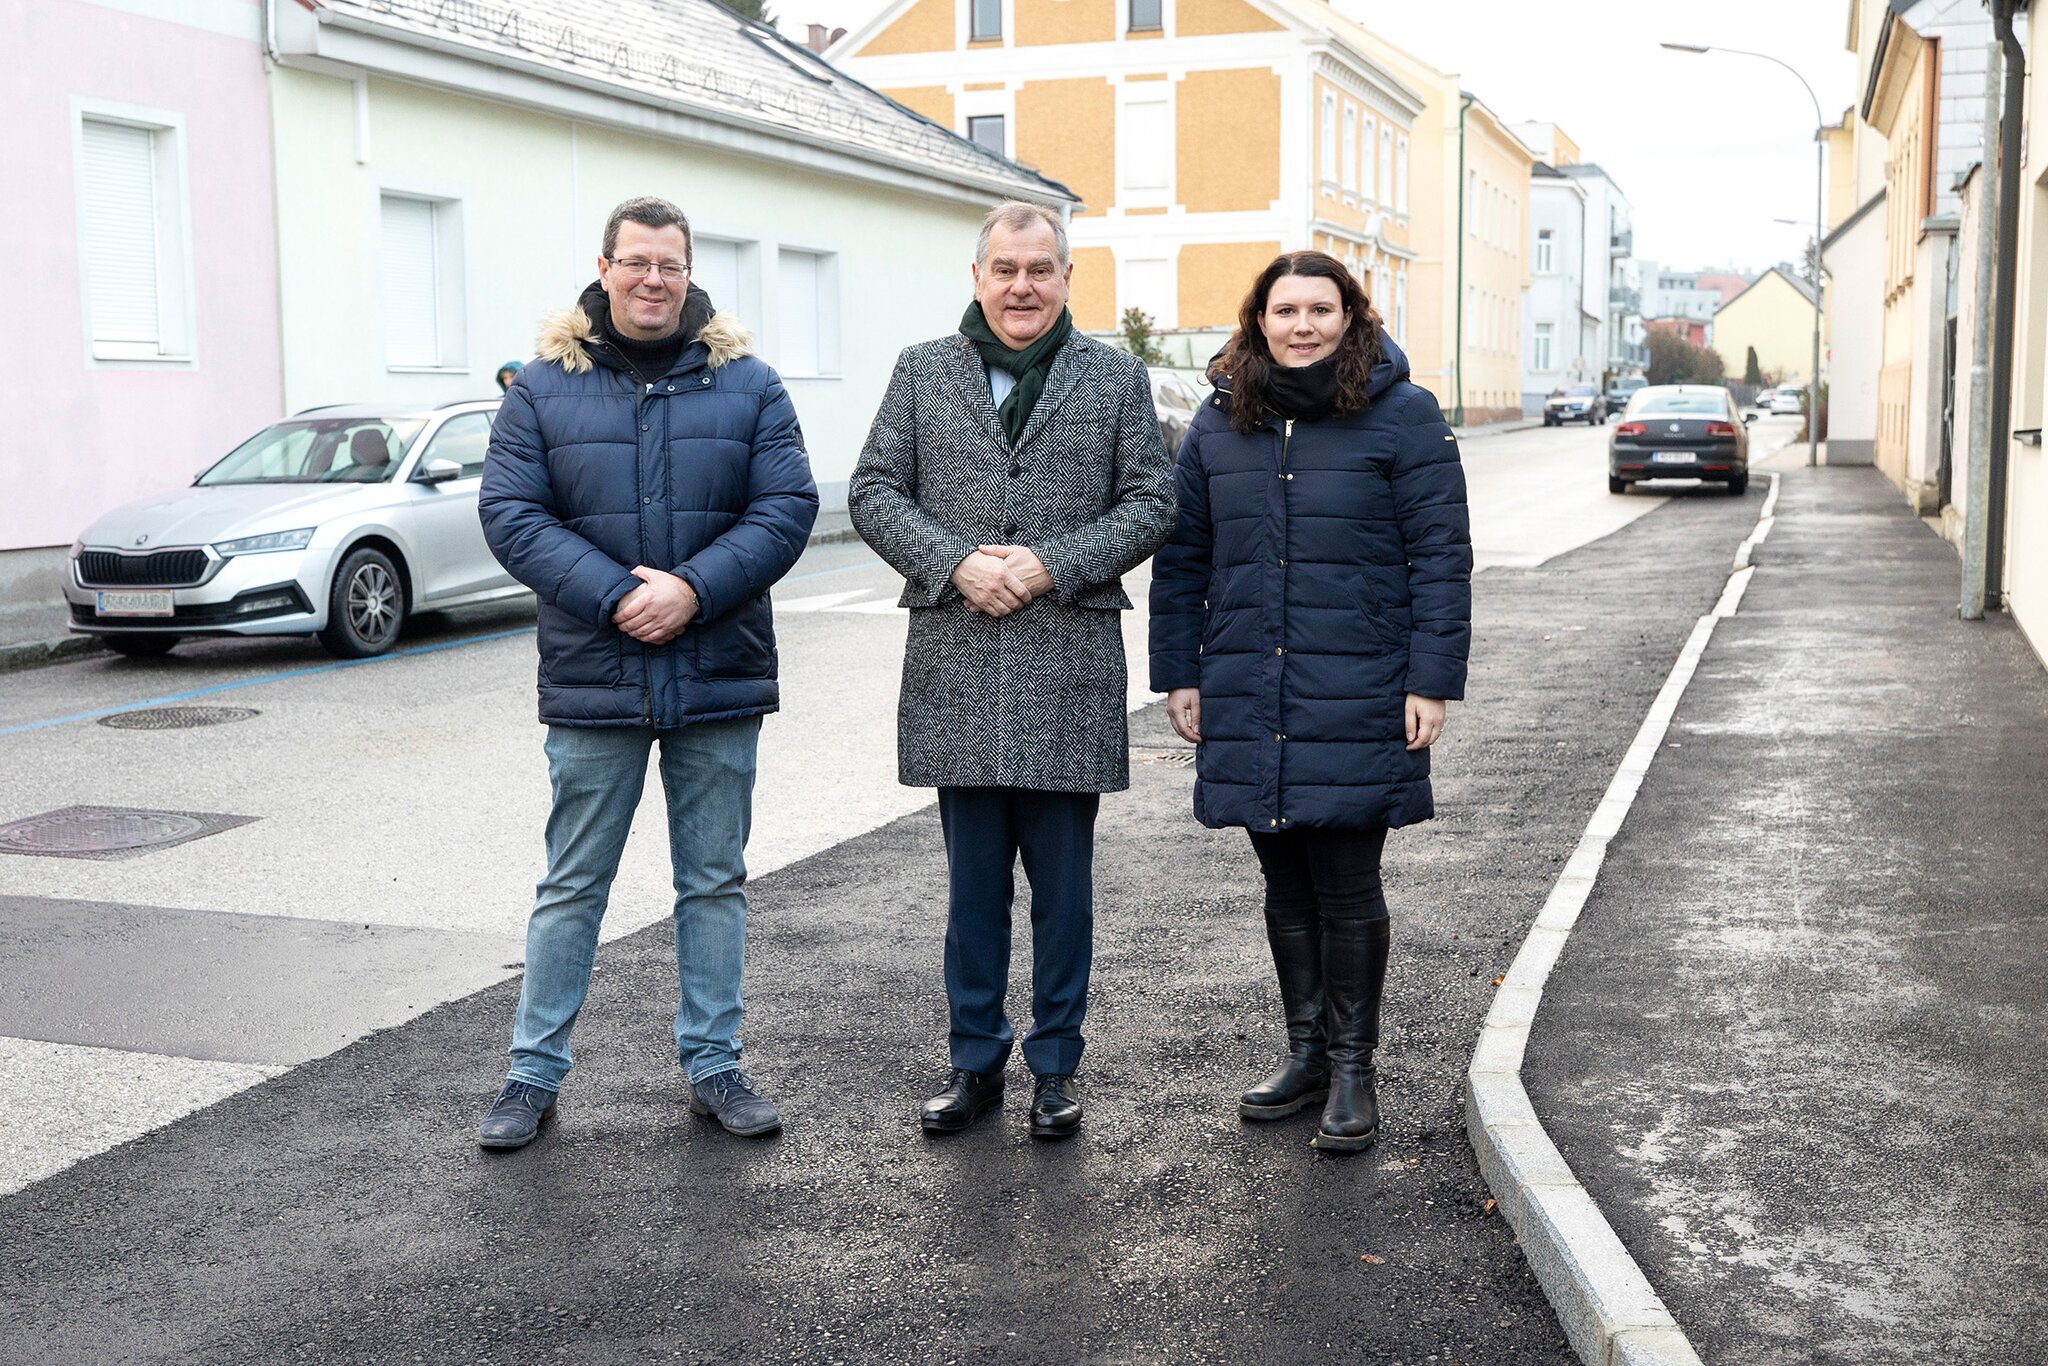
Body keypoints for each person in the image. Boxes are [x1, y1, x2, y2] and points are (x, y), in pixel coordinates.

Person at [473, 196, 818, 1149]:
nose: (653, 279)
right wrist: (620, 594)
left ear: (691, 271)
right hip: (596, 671)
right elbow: (511, 514)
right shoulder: (543, 387)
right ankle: (531, 1076)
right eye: (637, 262)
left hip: (717, 669)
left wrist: (694, 592)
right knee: (572, 882)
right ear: (605, 267)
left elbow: (786, 507)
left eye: (669, 264)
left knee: (713, 880)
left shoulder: (747, 383)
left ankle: (716, 1065)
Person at [849, 201, 1175, 1140]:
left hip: (1066, 659)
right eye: (1006, 270)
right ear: (979, 276)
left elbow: (1153, 502)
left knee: (1063, 893)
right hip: (957, 657)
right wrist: (954, 561)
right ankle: (974, 1060)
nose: (1022, 286)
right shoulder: (923, 371)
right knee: (973, 892)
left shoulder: (1113, 376)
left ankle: (1057, 1066)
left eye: (1041, 269)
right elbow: (874, 490)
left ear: (1067, 278)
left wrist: (1052, 562)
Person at [1148, 250, 1471, 1154]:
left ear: (1350, 316)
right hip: (1250, 679)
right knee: (1282, 877)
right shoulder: (1223, 423)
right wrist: (1182, 672)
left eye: (1319, 309)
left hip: (1360, 681)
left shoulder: (1403, 416)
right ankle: (1306, 1056)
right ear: (1258, 321)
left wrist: (1431, 681)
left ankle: (1355, 1067)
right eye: (1284, 310)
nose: (1302, 326)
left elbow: (1441, 558)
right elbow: (1183, 560)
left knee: (1347, 879)